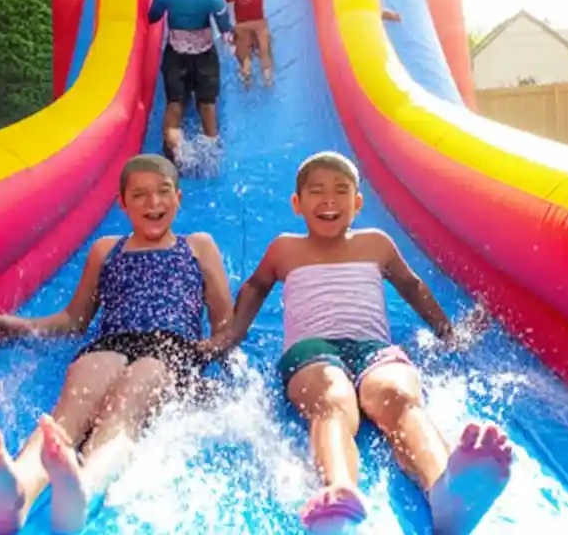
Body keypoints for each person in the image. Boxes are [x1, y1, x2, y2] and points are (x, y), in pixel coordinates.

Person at [199, 151, 512, 534]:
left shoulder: (375, 243)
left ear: (358, 202)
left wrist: (449, 332)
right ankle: (338, 497)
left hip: (373, 349)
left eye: (341, 191)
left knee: (397, 395)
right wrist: (229, 336)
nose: (329, 200)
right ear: (297, 204)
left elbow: (412, 286)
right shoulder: (284, 249)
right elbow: (255, 288)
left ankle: (446, 490)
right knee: (331, 400)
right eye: (316, 192)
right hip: (312, 350)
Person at [0, 154, 233, 534]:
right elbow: (74, 320)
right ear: (123, 203)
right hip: (111, 342)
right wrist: (19, 326)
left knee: (128, 401)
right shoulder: (106, 250)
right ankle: (18, 490)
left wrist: (210, 352)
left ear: (179, 197)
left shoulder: (198, 246)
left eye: (163, 193)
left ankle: (85, 486)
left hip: (171, 347)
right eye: (141, 195)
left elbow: (224, 324)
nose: (154, 203)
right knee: (73, 403)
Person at [148, 0, 234, 165]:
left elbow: (222, 17)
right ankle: (174, 151)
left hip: (204, 53)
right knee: (175, 102)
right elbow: (153, 15)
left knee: (206, 103)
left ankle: (211, 149)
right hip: (176, 54)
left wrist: (228, 36)